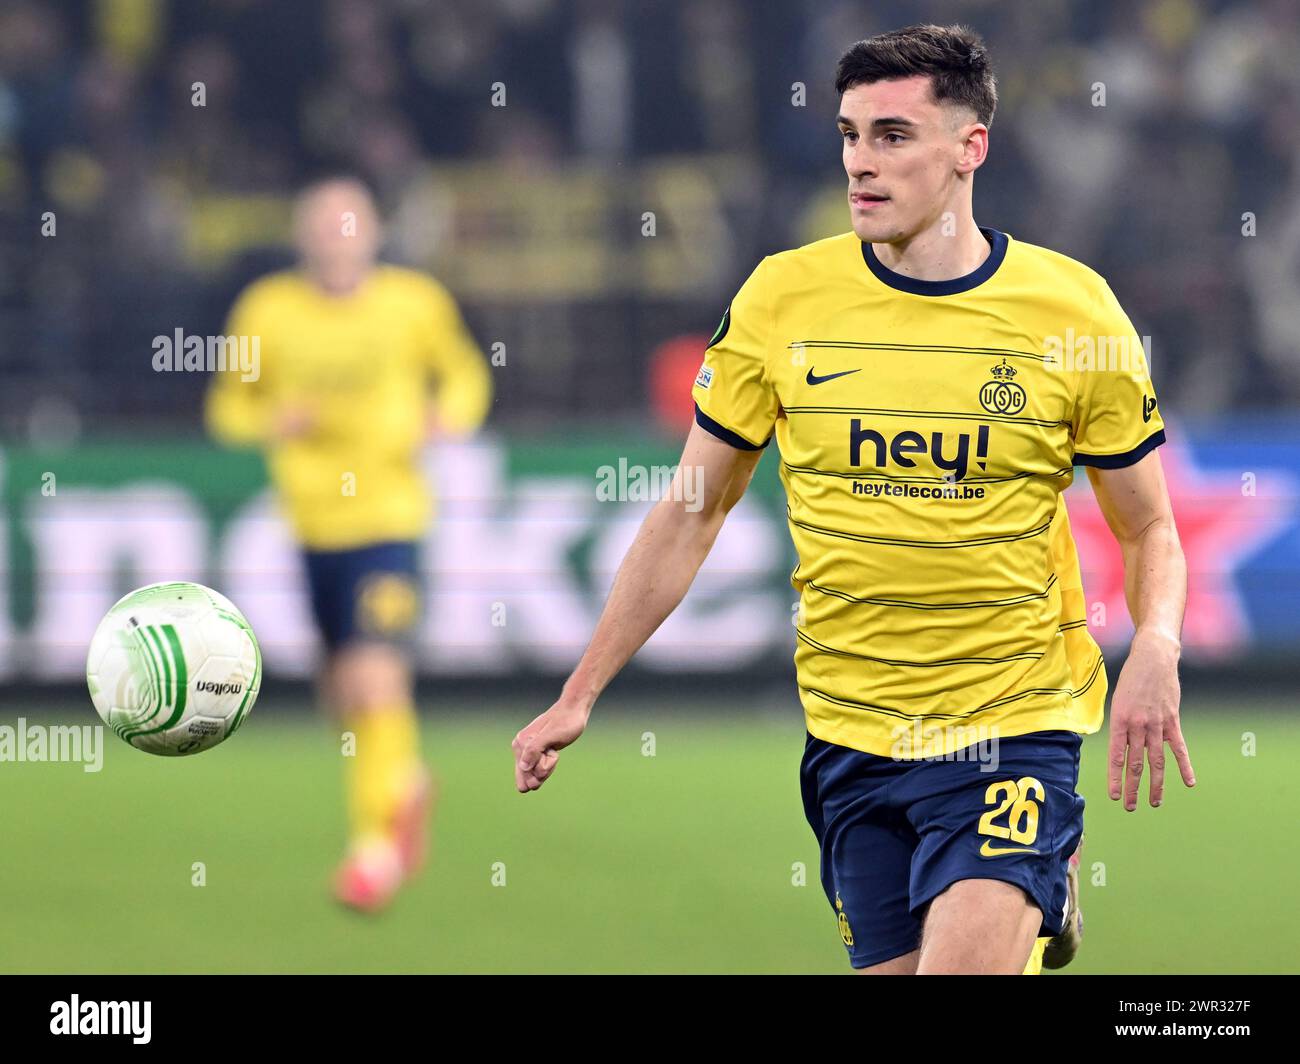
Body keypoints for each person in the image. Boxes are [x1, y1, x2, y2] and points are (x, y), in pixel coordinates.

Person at [511, 24, 1192, 974]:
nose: (859, 165)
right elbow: (691, 511)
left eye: (892, 136)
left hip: (1014, 725)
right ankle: (1047, 900)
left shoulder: (1073, 314)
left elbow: (1150, 521)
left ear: (970, 148)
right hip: (849, 734)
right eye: (848, 135)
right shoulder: (782, 299)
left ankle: (1030, 878)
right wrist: (579, 693)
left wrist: (1155, 645)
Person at [207, 176, 492, 911]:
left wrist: (448, 414)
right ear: (303, 238)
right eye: (324, 227)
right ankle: (406, 783)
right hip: (312, 527)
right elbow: (227, 407)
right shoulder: (267, 311)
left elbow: (463, 373)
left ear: (372, 233)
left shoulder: (413, 303)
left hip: (390, 520)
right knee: (341, 698)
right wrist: (274, 418)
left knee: (373, 677)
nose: (337, 239)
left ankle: (373, 853)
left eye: (349, 226)